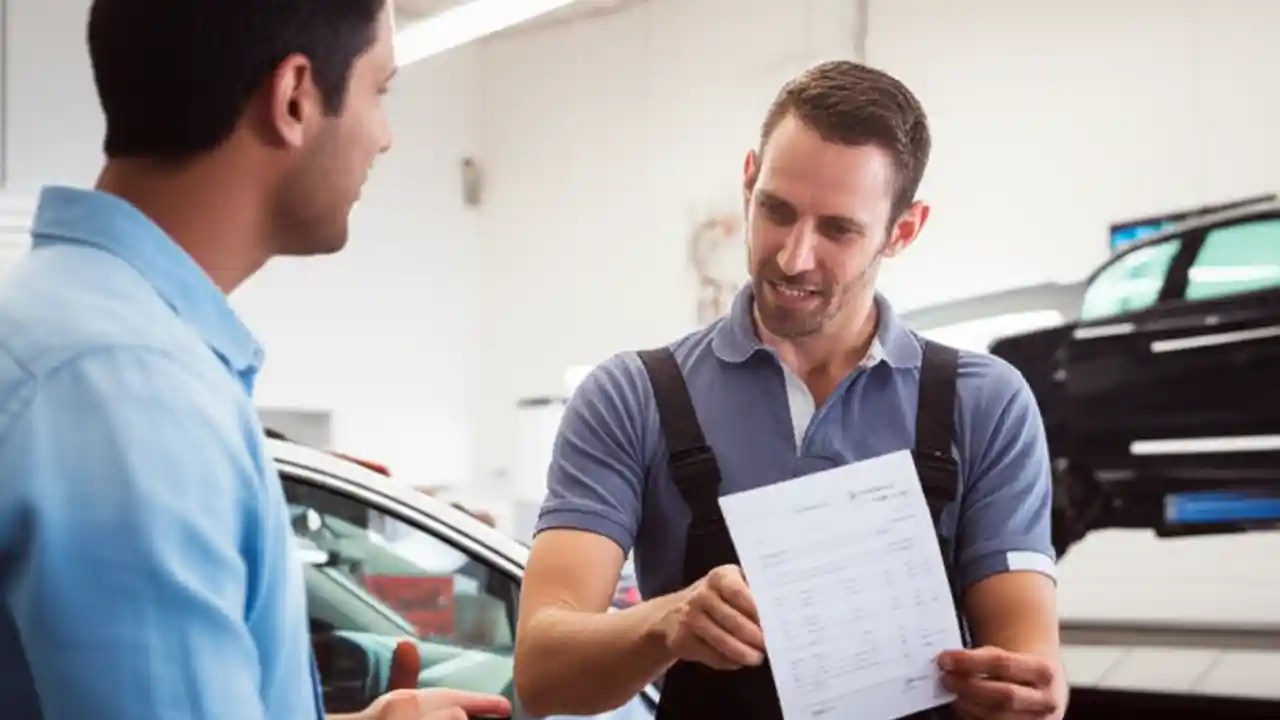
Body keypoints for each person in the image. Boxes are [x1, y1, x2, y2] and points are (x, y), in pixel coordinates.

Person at [0, 2, 509, 719]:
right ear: (295, 96)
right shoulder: (129, 389)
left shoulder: (77, 337)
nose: (385, 137)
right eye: (380, 91)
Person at [514, 60, 1067, 720]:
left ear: (903, 231)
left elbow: (1031, 663)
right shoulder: (632, 398)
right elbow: (543, 672)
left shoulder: (984, 406)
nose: (793, 256)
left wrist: (1030, 694)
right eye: (776, 210)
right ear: (749, 181)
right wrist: (666, 622)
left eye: (838, 229)